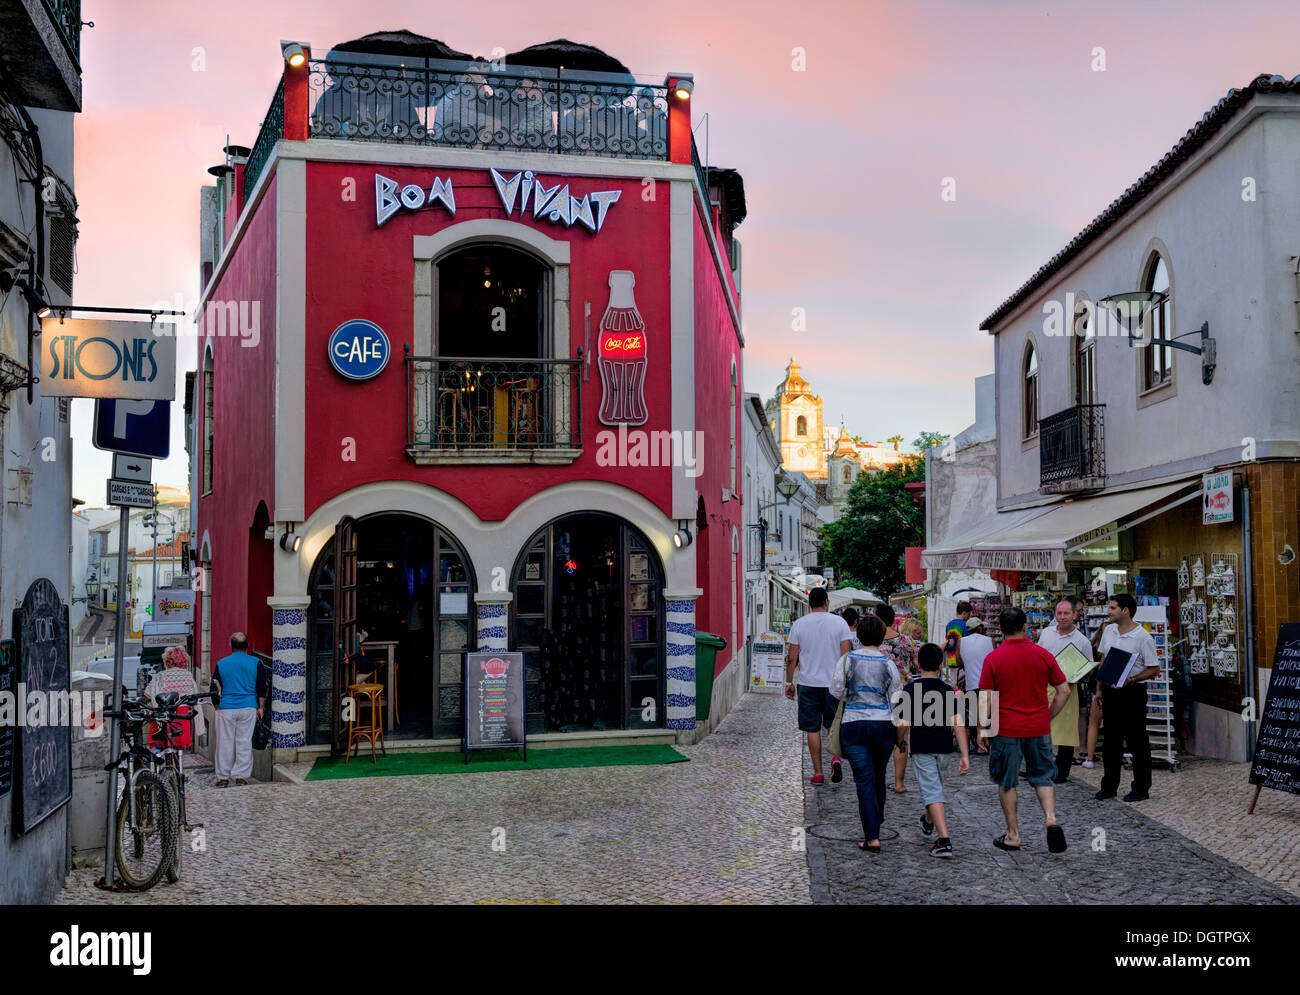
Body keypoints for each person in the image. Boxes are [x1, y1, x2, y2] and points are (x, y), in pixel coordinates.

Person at [978, 606, 1070, 853]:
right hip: (1038, 726)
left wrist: (981, 729)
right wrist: (1048, 714)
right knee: (1042, 776)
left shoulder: (993, 658)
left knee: (1007, 781)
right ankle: (1050, 818)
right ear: (1025, 627)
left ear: (1001, 629)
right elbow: (1064, 690)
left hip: (1006, 728)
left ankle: (1013, 835)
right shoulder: (1043, 655)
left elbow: (985, 699)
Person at [830, 614, 904, 853]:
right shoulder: (888, 663)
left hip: (854, 725)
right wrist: (901, 735)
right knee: (879, 775)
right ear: (882, 636)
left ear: (858, 636)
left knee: (863, 779)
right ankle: (877, 818)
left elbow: (835, 689)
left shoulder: (847, 660)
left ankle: (872, 836)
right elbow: (897, 699)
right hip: (883, 726)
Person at [899, 642, 970, 858]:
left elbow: (902, 722)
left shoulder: (911, 689)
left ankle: (944, 840)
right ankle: (928, 821)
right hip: (944, 749)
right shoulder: (948, 690)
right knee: (935, 788)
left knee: (932, 791)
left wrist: (900, 739)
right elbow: (958, 724)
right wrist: (965, 754)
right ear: (941, 666)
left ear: (917, 664)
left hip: (922, 747)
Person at [1094, 593, 1160, 802]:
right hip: (1111, 689)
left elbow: (1154, 668)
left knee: (1137, 741)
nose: (1109, 611)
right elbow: (1104, 660)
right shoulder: (1109, 631)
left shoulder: (1143, 637)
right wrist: (1099, 689)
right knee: (1111, 741)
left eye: (1113, 608)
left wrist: (1131, 679)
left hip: (1132, 692)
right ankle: (1109, 786)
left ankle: (1141, 788)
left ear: (1125, 611)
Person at [784, 588, 852, 785]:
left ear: (809, 604)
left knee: (812, 729)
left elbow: (792, 658)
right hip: (833, 684)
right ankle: (835, 759)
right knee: (832, 725)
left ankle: (818, 772)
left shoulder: (799, 624)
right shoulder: (840, 623)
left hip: (808, 683)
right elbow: (846, 655)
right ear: (827, 602)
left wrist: (789, 682)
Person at [1036, 598, 1094, 782]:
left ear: (1074, 615)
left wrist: (1077, 677)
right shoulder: (1046, 633)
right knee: (1040, 727)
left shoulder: (1082, 641)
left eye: (1066, 613)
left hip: (1068, 688)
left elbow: (1088, 667)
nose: (1062, 617)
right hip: (1044, 686)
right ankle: (1038, 768)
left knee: (1066, 732)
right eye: (1059, 613)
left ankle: (1062, 771)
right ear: (1055, 614)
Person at [212, 632, 269, 788]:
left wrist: (218, 707)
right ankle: (241, 776)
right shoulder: (257, 663)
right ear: (247, 646)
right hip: (248, 706)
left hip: (226, 707)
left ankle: (223, 777)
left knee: (224, 743)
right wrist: (261, 707)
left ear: (230, 645)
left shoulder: (221, 663)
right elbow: (262, 686)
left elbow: (214, 688)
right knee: (244, 742)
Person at [876, 604, 918, 792]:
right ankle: (900, 783)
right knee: (902, 738)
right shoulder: (906, 641)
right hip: (903, 692)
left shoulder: (873, 643)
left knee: (879, 738)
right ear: (894, 620)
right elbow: (916, 666)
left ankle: (878, 779)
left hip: (880, 694)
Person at [142, 646, 205, 740]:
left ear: (167, 660)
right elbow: (194, 696)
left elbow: (147, 695)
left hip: (163, 714)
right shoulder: (188, 676)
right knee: (180, 743)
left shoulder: (161, 675)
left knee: (159, 744)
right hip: (182, 715)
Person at [957, 615, 995, 753]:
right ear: (979, 627)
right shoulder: (990, 641)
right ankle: (985, 746)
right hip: (989, 684)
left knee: (971, 717)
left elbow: (959, 662)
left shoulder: (961, 642)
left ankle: (971, 746)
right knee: (988, 717)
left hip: (971, 684)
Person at [944, 600, 973, 675]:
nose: (969, 616)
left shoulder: (949, 624)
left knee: (954, 684)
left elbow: (947, 640)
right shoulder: (964, 625)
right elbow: (966, 644)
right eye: (969, 614)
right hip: (960, 660)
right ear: (964, 613)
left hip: (950, 659)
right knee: (961, 683)